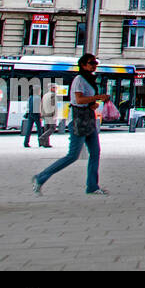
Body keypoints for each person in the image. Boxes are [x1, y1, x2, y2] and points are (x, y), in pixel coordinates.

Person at [32, 53, 110, 195]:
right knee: (73, 155)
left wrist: (93, 104)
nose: (94, 65)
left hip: (89, 117)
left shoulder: (90, 80)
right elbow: (79, 100)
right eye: (91, 63)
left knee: (95, 152)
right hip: (79, 120)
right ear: (83, 65)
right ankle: (40, 177)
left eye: (95, 63)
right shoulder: (79, 79)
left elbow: (84, 101)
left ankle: (92, 186)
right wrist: (98, 97)